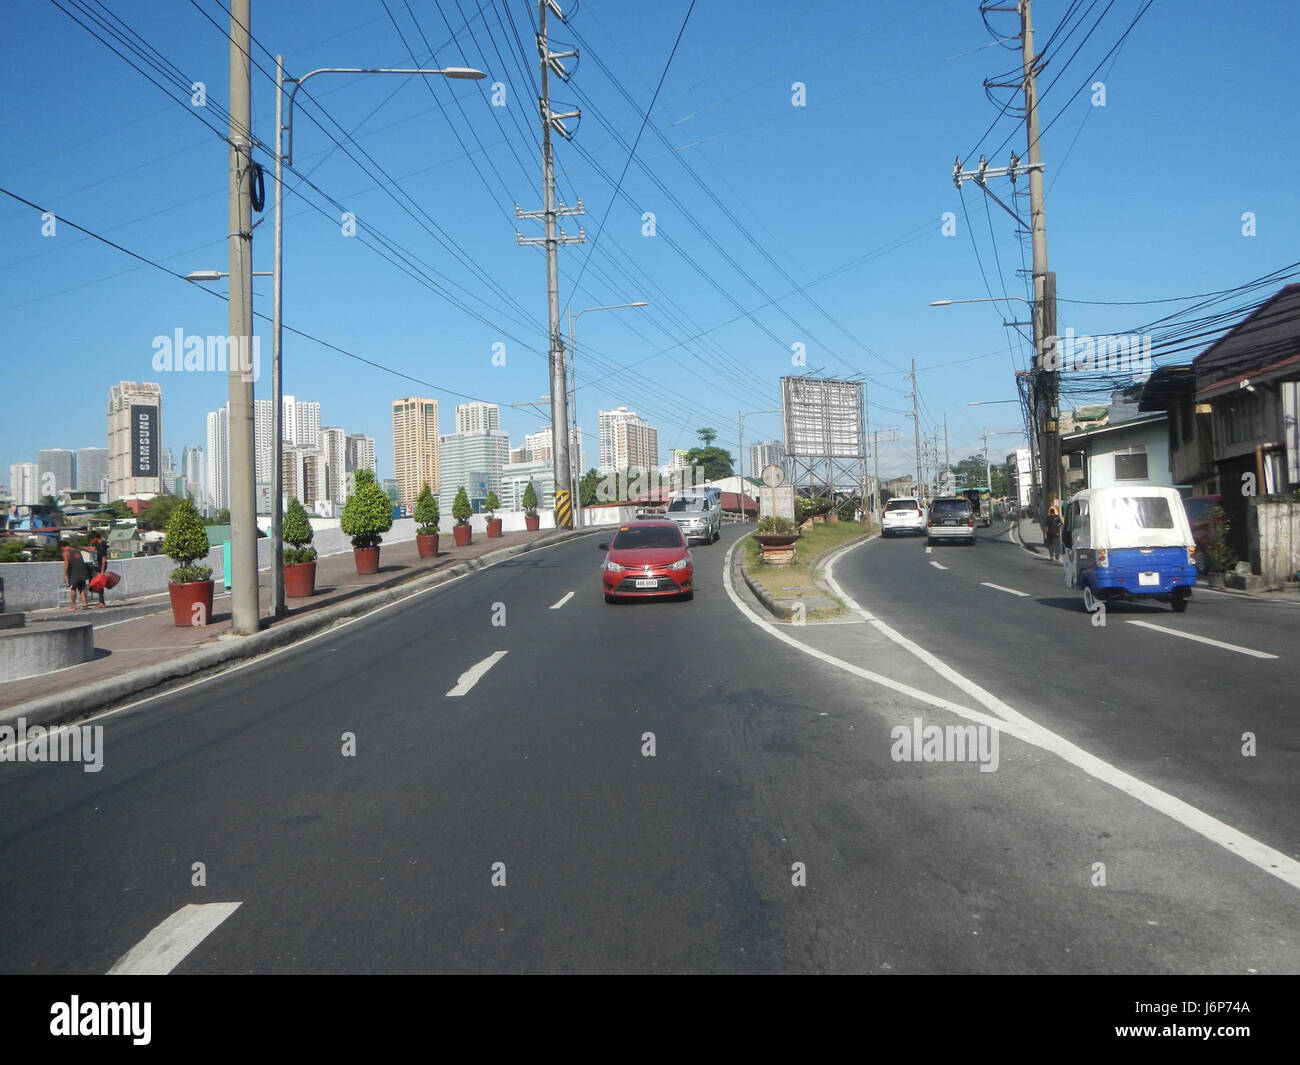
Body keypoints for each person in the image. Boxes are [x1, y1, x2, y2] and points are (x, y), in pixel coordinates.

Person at [62, 542, 90, 610]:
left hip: (74, 573)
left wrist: (65, 575)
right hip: (82, 571)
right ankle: (84, 603)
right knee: (81, 587)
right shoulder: (77, 550)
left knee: (73, 588)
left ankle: (73, 605)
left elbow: (67, 563)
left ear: (62, 547)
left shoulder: (65, 552)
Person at [89, 531, 110, 608]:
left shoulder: (102, 544)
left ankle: (102, 602)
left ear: (95, 538)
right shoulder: (97, 543)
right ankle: (101, 601)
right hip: (99, 564)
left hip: (102, 565)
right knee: (98, 583)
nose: (91, 542)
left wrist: (101, 571)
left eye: (91, 540)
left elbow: (104, 557)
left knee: (99, 583)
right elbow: (92, 549)